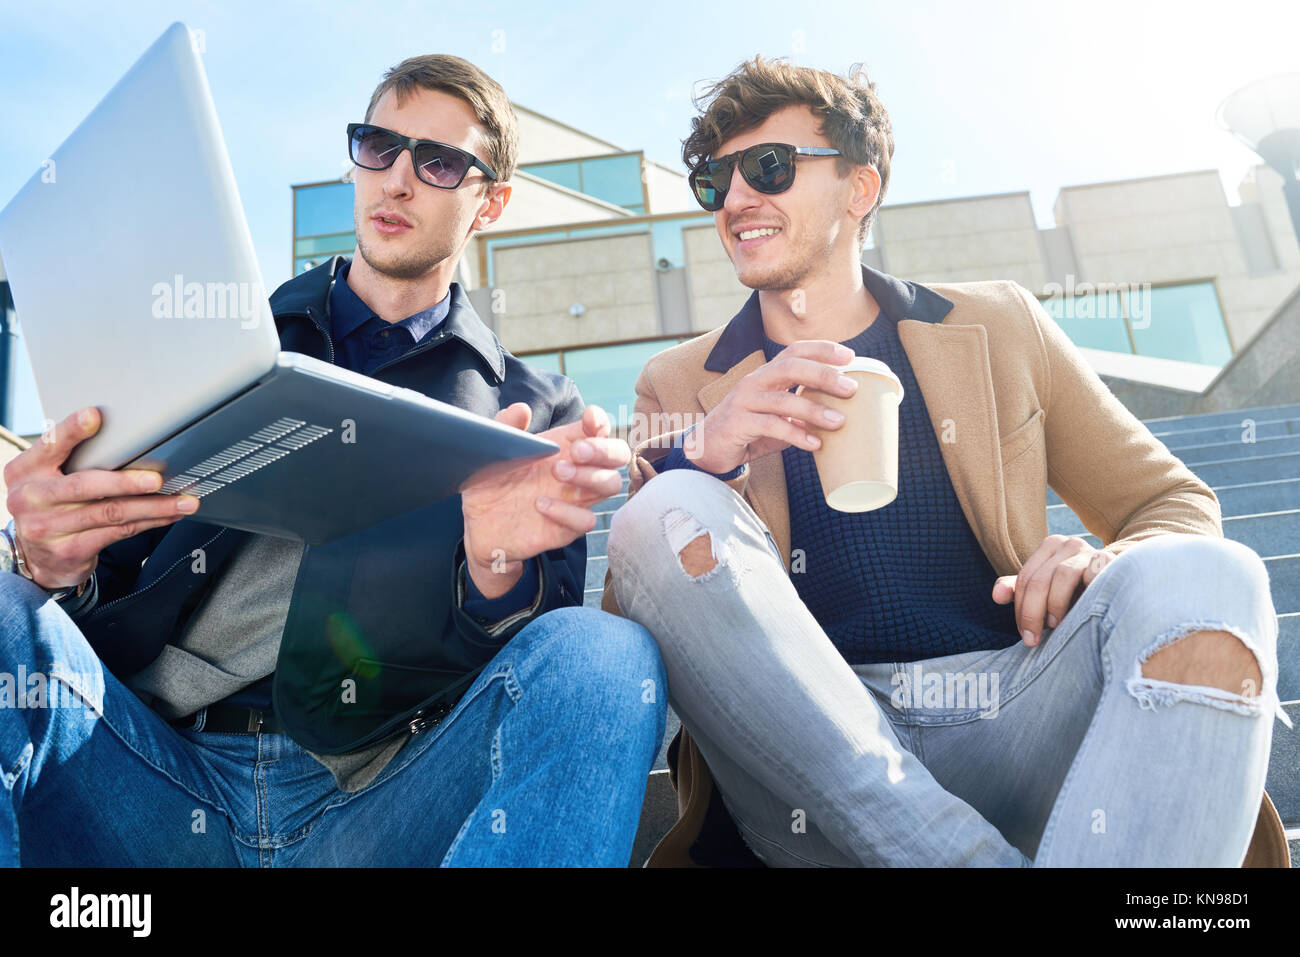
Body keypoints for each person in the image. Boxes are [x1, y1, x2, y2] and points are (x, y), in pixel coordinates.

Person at [602, 55, 1287, 867]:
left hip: (1011, 711)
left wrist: (1103, 558)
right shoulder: (679, 383)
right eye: (716, 181)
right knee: (660, 510)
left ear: (859, 188)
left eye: (769, 168)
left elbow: (1171, 501)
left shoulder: (999, 323)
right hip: (805, 754)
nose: (738, 199)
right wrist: (704, 460)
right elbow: (636, 627)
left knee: (1218, 576)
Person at [0, 54, 665, 867]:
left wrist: (491, 563)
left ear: (490, 201)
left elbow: (534, 664)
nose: (396, 180)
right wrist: (44, 562)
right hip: (153, 781)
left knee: (605, 659)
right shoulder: (214, 340)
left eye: (440, 162)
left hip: (378, 804)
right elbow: (102, 579)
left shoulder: (535, 410)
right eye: (378, 146)